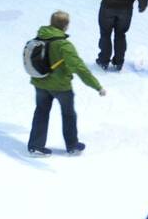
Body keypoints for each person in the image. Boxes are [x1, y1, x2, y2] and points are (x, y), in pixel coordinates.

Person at [26, 10, 105, 156]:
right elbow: (79, 67)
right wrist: (97, 86)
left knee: (41, 113)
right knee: (68, 114)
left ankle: (35, 145)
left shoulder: (40, 37)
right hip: (61, 86)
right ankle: (72, 145)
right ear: (66, 26)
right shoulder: (64, 45)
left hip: (40, 83)